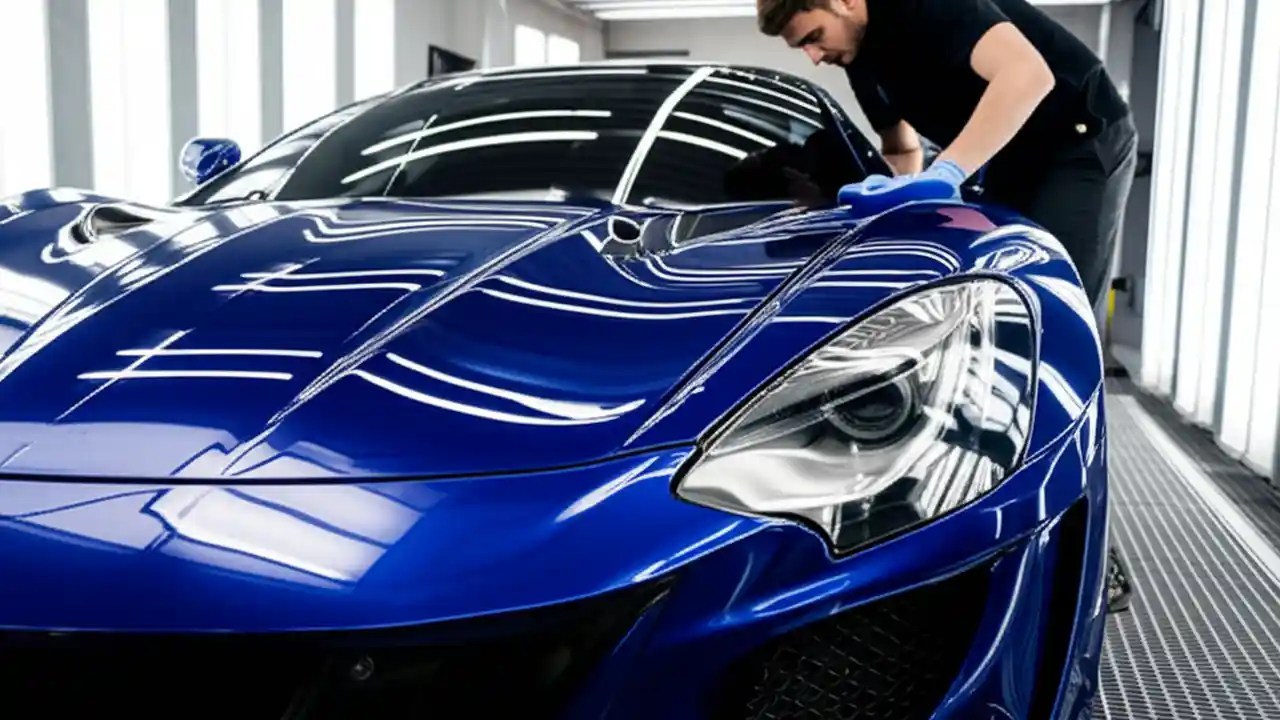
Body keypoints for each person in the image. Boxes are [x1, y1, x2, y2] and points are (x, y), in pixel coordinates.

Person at [756, 0, 1138, 309]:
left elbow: (1027, 74)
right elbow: (900, 147)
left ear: (846, 2)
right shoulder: (862, 59)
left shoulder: (929, 7)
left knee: (1053, 296)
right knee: (998, 294)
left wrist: (947, 172)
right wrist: (888, 205)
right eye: (802, 47)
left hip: (1079, 138)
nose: (814, 57)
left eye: (814, 37)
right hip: (1011, 155)